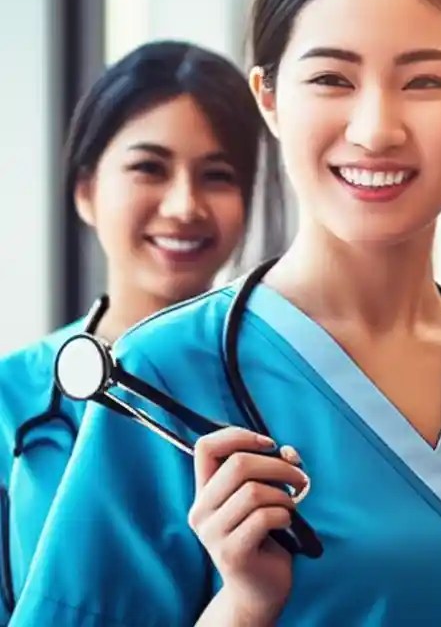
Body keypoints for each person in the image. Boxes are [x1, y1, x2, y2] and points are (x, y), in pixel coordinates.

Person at [12, 0, 441, 626]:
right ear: (269, 99)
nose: (376, 128)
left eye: (424, 81)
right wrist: (241, 606)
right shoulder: (156, 383)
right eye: (333, 77)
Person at [0, 39, 268, 620]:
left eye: (217, 176)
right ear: (86, 190)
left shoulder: (282, 386)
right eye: (149, 167)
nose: (183, 206)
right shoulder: (11, 399)